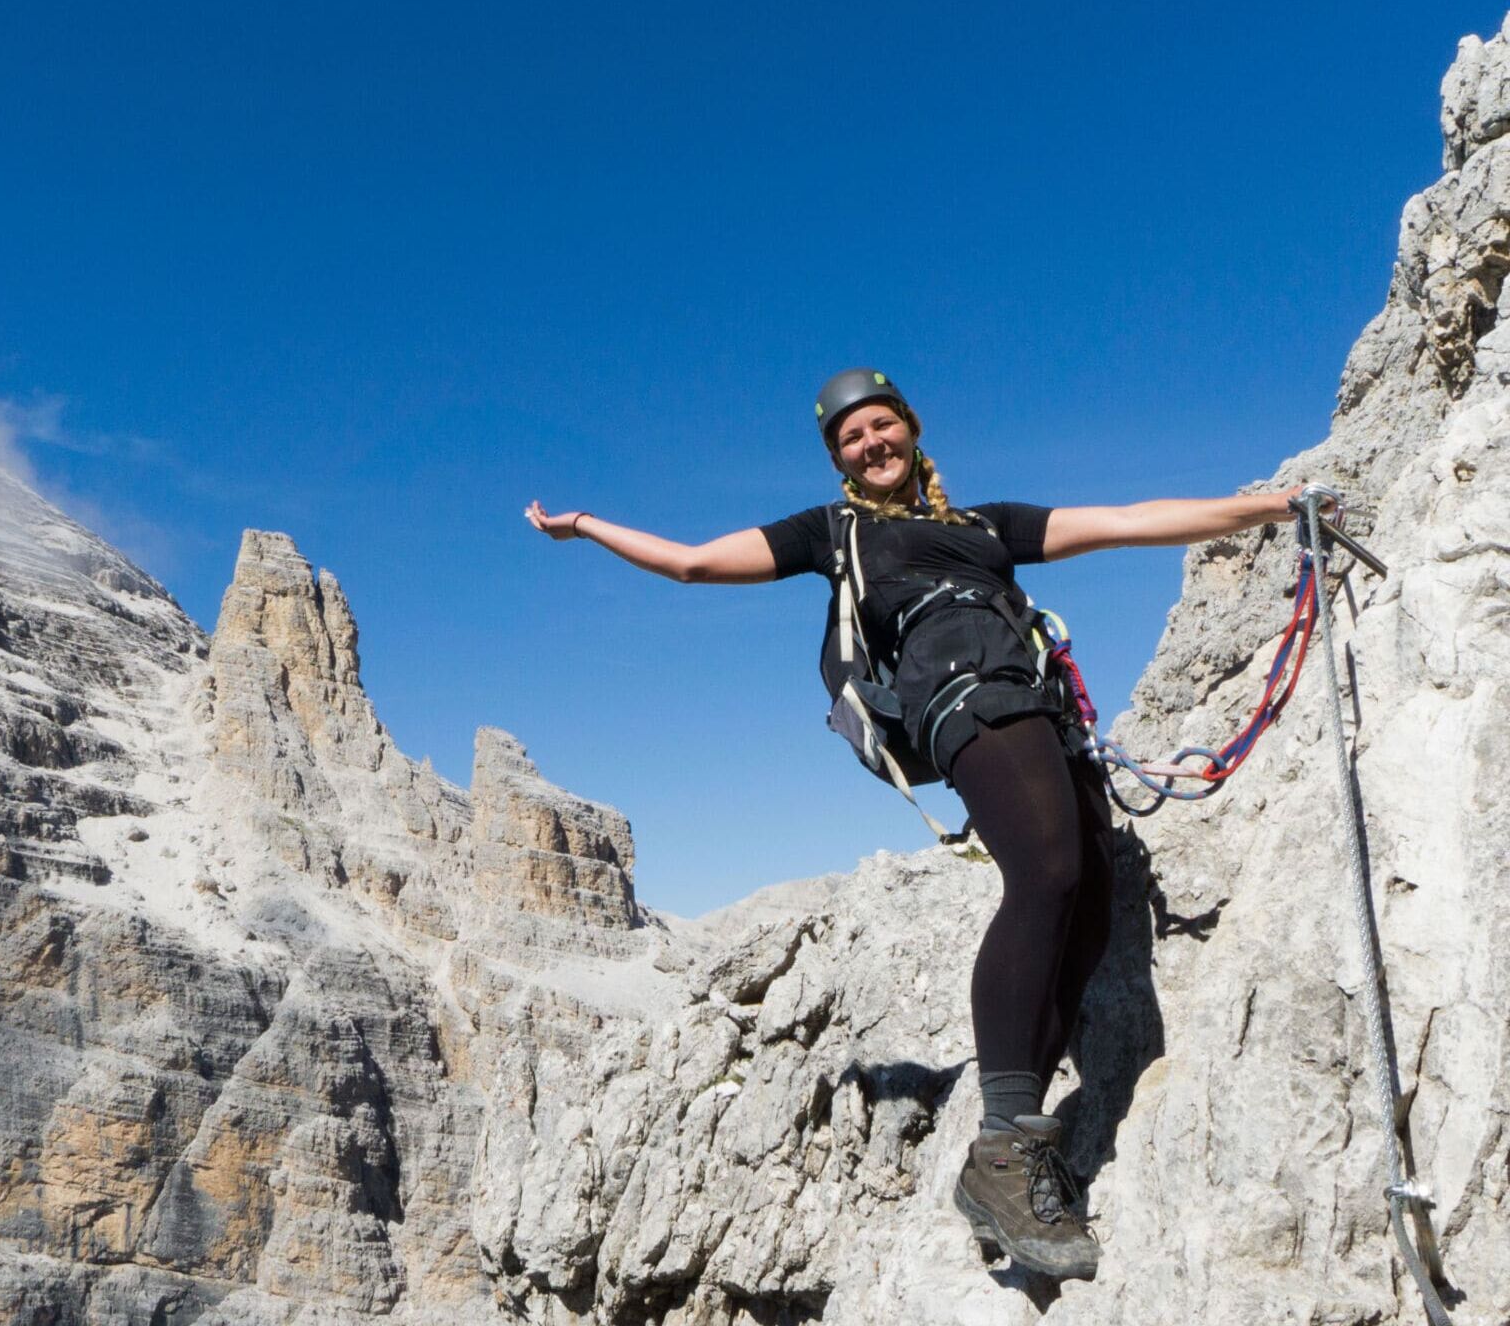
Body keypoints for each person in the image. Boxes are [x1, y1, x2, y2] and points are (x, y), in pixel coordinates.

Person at [524, 368, 1302, 1281]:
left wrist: (1273, 508)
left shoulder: (986, 528)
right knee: (1046, 876)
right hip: (962, 702)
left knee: (1090, 902)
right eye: (849, 439)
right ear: (838, 459)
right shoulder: (834, 533)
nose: (869, 445)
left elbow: (1126, 520)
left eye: (880, 426)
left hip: (1039, 707)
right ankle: (1006, 1145)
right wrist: (585, 527)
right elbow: (695, 563)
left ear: (912, 429)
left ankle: (1014, 1151)